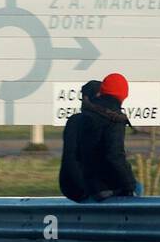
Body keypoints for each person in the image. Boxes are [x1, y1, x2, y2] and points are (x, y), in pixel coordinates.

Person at [59, 72, 140, 202]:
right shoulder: (113, 118)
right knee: (138, 188)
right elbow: (114, 156)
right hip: (96, 188)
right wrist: (129, 185)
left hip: (71, 186)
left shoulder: (77, 120)